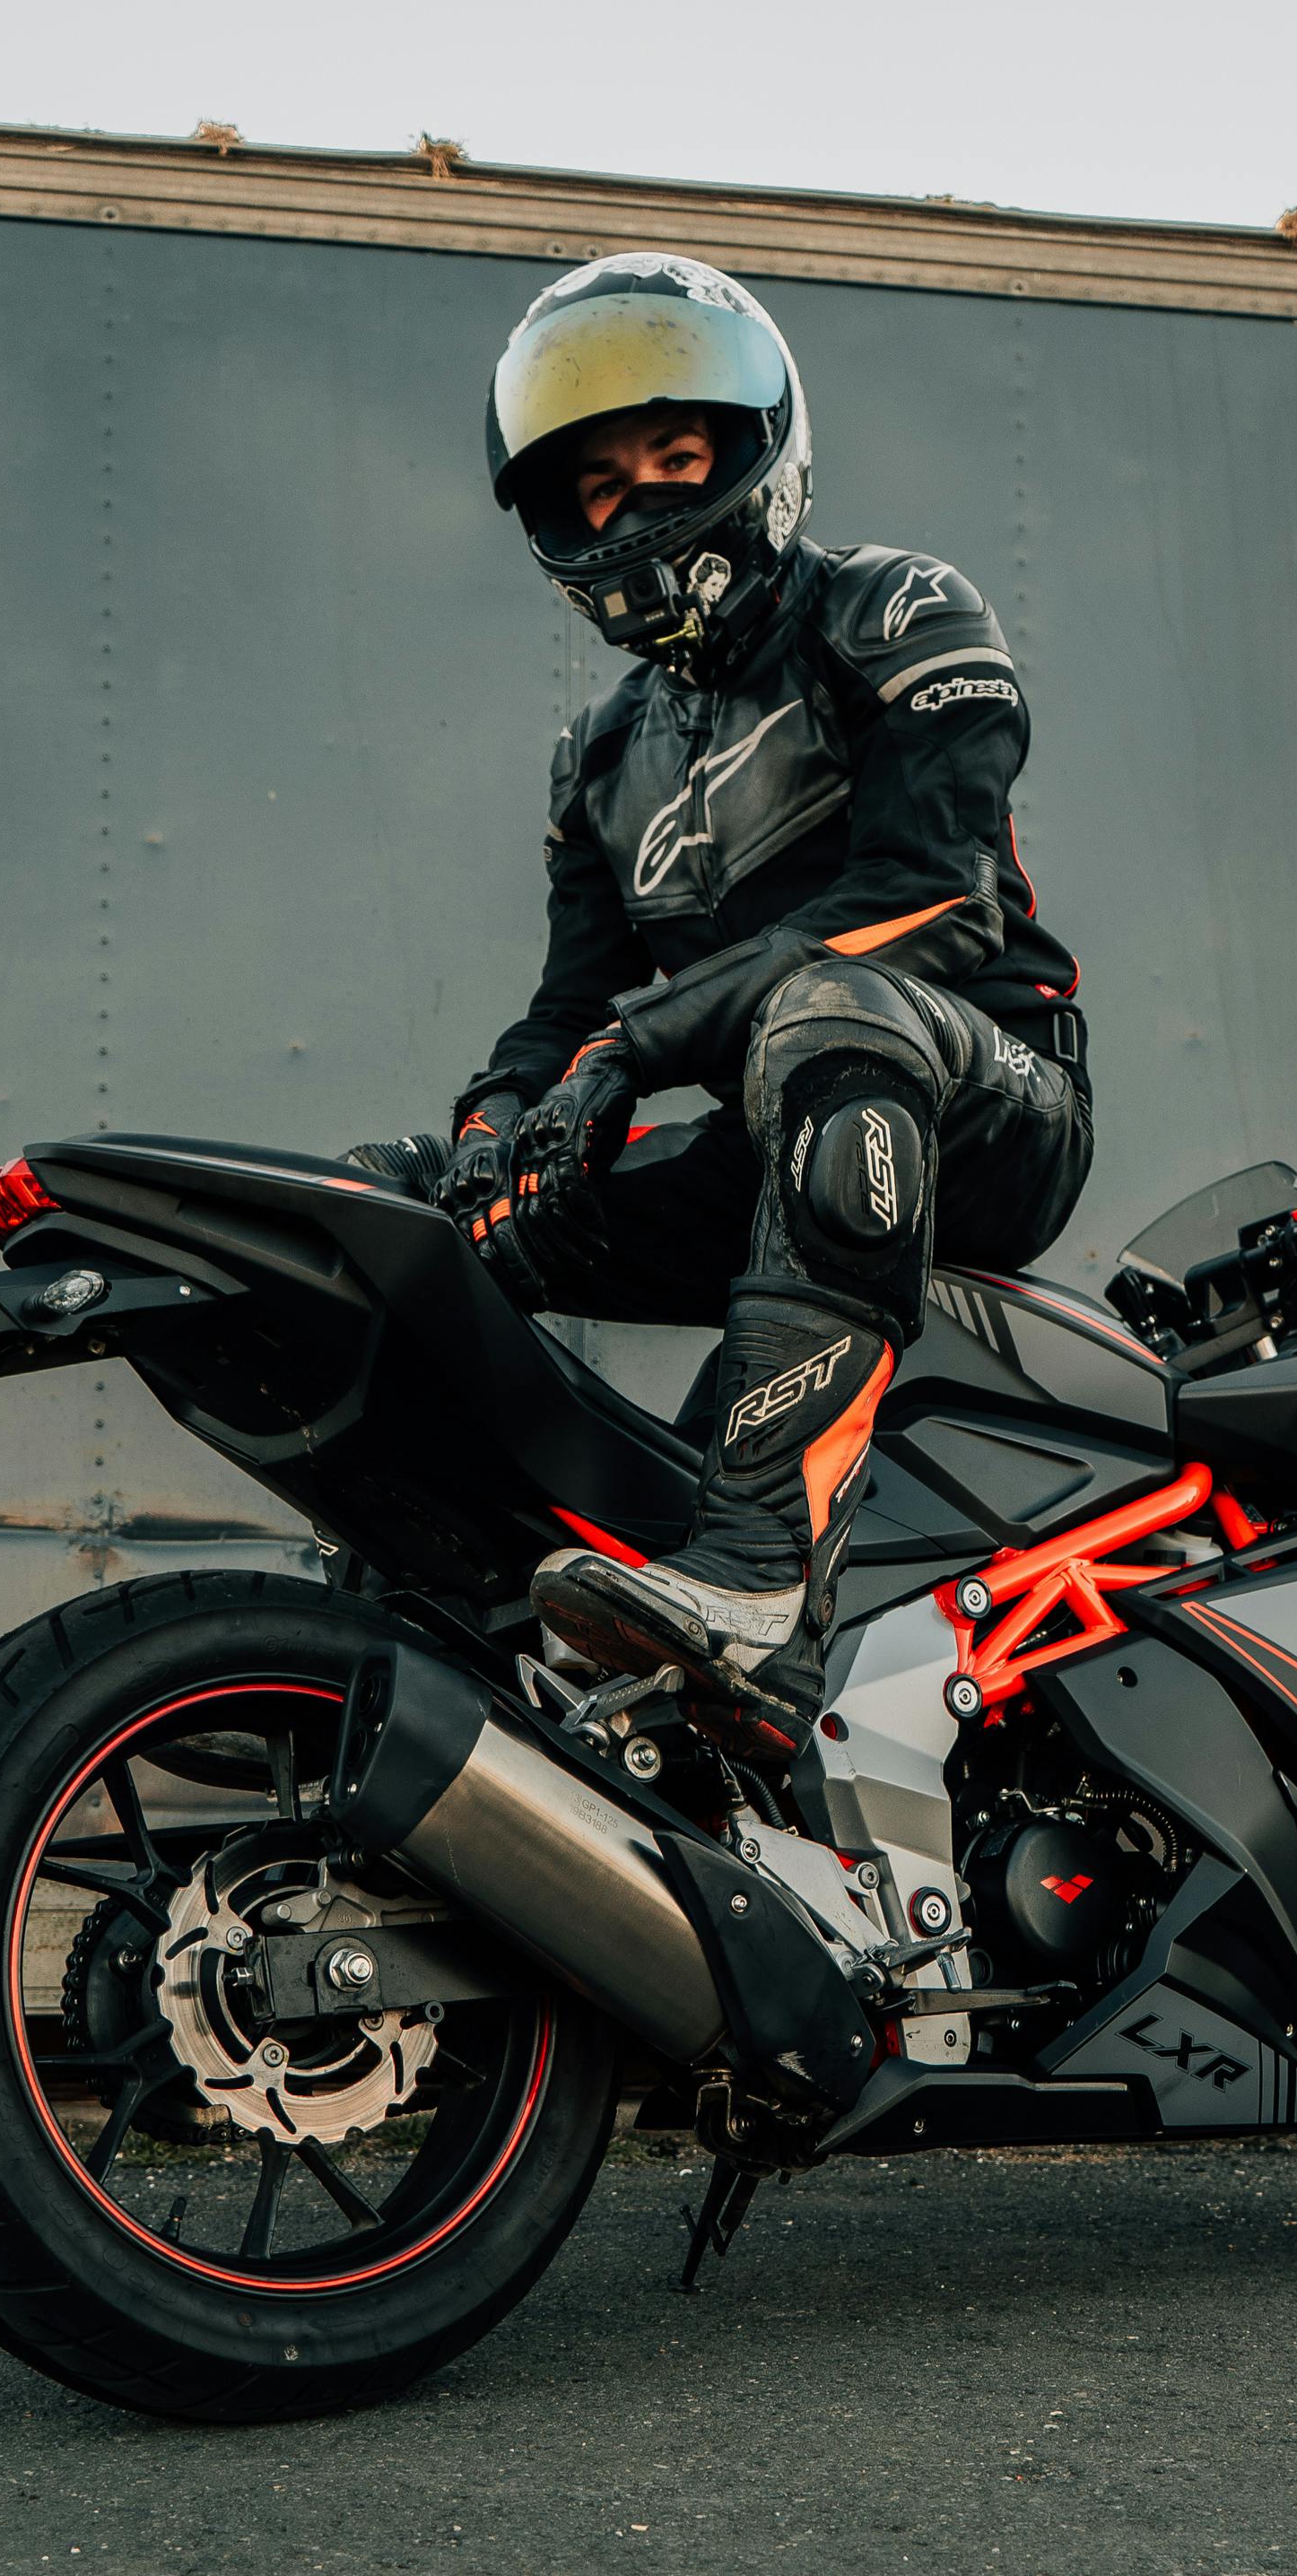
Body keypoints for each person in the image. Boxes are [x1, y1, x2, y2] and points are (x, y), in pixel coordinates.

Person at [441, 251, 1092, 1756]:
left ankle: (761, 1584)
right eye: (600, 481)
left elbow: (934, 903)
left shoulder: (898, 611)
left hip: (987, 1104)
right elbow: (565, 1010)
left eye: (676, 455)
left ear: (757, 452)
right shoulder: (599, 759)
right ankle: (427, 1618)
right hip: (770, 1145)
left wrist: (634, 1049)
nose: (643, 502)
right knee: (414, 1211)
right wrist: (490, 1124)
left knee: (835, 1013)